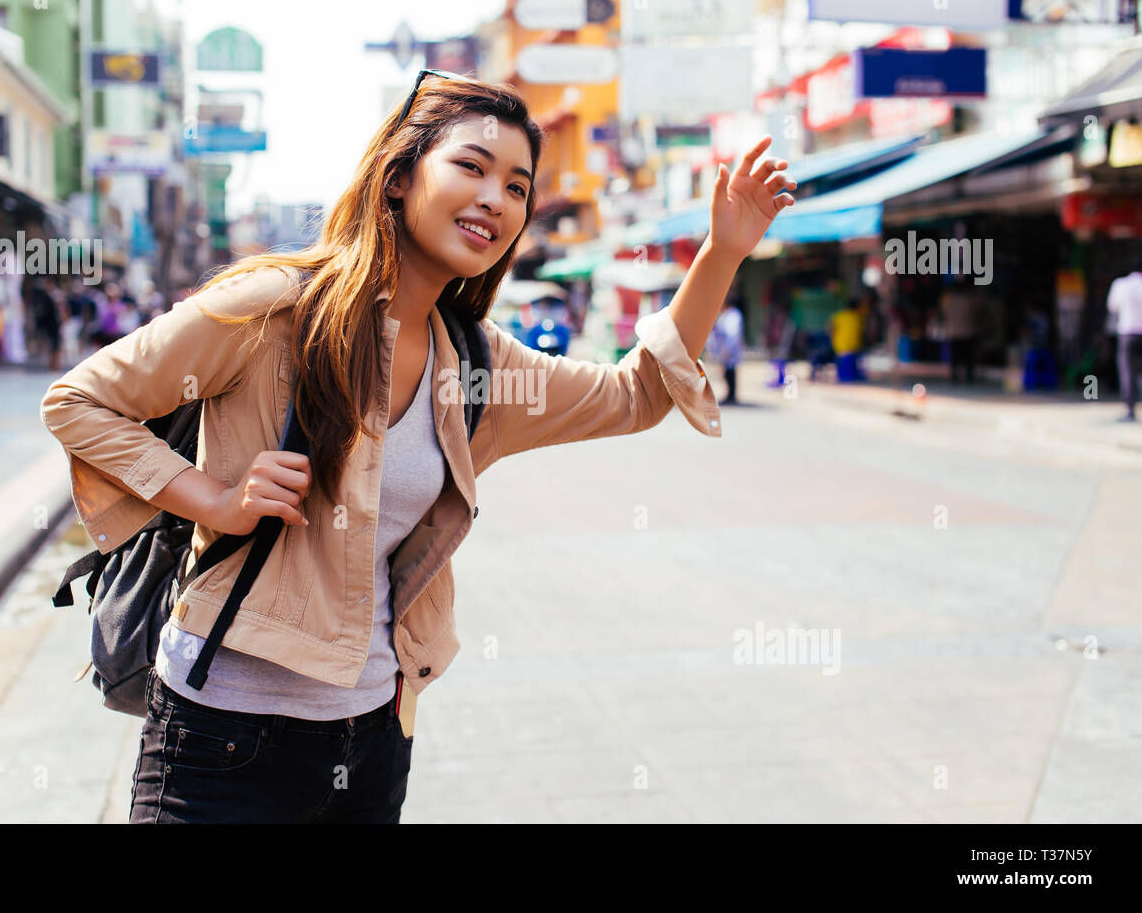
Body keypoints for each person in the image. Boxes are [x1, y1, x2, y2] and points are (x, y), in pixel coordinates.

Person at [40, 74, 796, 824]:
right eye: (470, 167)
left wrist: (722, 253)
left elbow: (637, 394)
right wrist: (210, 498)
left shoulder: (477, 366)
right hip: (220, 740)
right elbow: (81, 400)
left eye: (517, 186)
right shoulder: (273, 310)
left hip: (370, 744)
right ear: (399, 177)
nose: (496, 198)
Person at [1107, 265, 1142, 421]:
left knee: (1128, 370)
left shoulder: (1121, 284)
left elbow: (1112, 307)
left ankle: (1130, 409)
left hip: (1127, 331)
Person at [940, 281, 980, 385]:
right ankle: (969, 380)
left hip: (954, 332)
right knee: (968, 360)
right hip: (967, 332)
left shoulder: (948, 299)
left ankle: (955, 379)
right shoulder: (969, 299)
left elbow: (944, 312)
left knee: (955, 360)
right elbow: (977, 311)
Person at [707, 293, 744, 404]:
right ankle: (729, 395)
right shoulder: (725, 315)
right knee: (726, 372)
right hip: (725, 349)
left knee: (730, 372)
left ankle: (732, 396)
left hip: (730, 349)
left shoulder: (734, 315)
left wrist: (727, 349)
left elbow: (734, 334)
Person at [828, 298, 864, 383]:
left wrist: (832, 339)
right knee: (850, 365)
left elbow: (830, 328)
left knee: (842, 365)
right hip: (854, 347)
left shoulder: (839, 316)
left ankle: (842, 377)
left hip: (839, 345)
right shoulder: (858, 317)